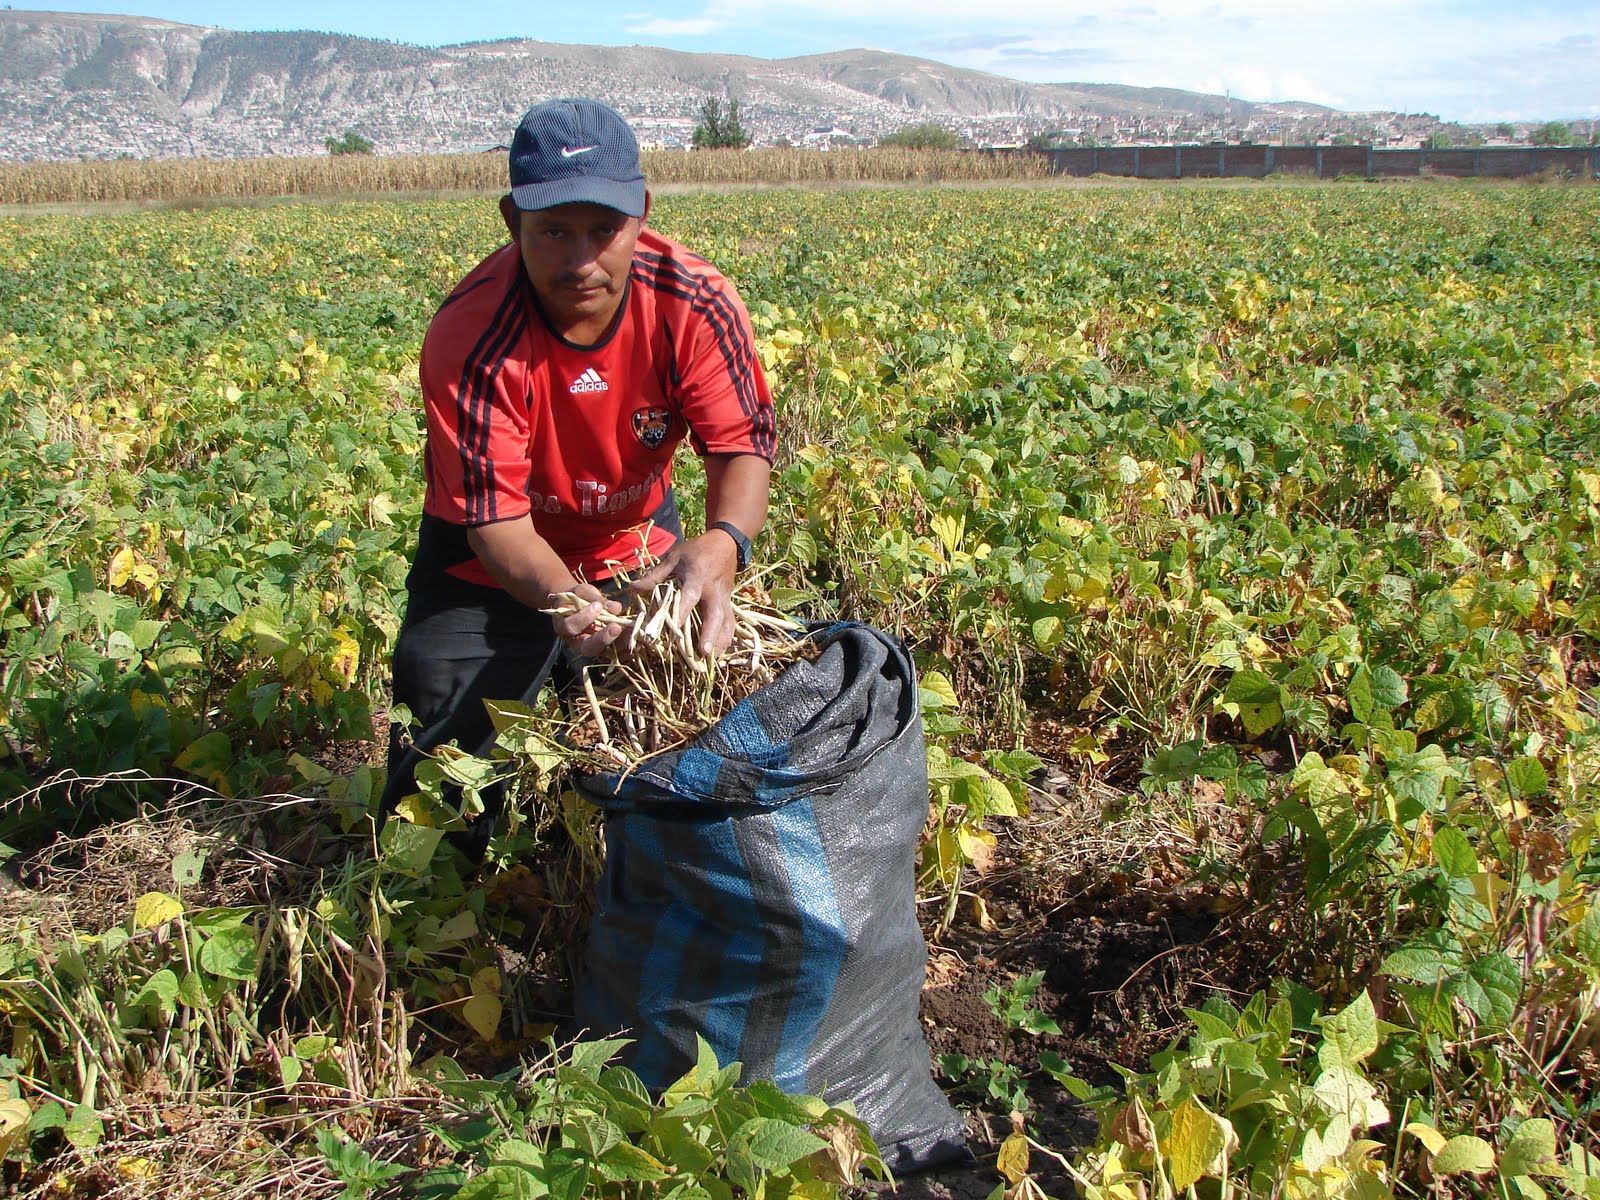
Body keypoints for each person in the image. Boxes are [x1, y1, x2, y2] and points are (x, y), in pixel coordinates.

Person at [380, 98, 776, 856]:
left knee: (656, 740)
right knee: (442, 783)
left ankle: (612, 877)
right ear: (511, 222)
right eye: (553, 231)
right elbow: (495, 524)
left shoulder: (694, 302)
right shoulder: (472, 333)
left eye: (604, 229)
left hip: (633, 540)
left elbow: (739, 446)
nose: (581, 258)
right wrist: (569, 602)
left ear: (642, 215)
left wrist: (723, 543)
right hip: (486, 564)